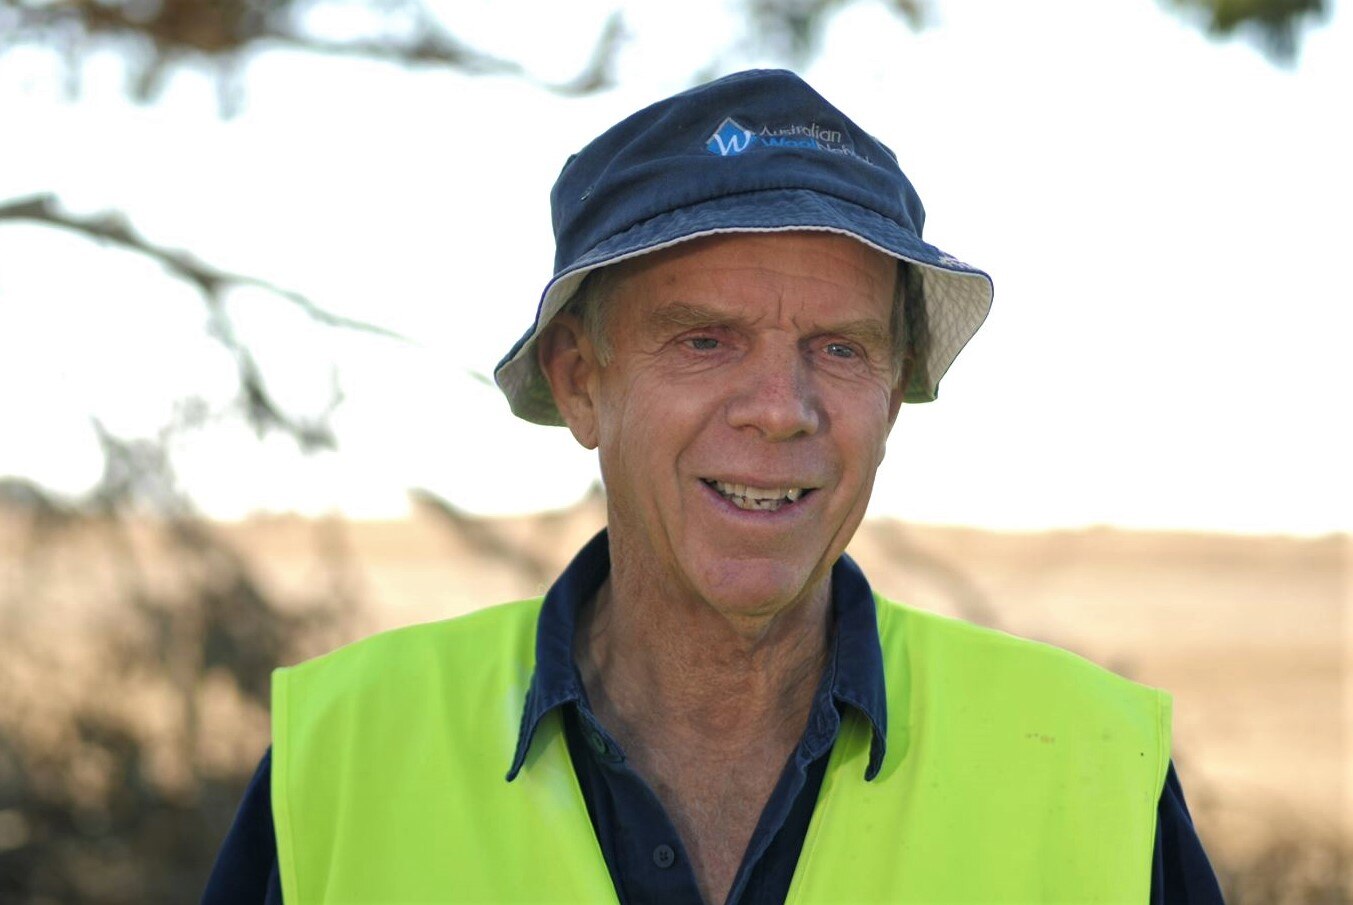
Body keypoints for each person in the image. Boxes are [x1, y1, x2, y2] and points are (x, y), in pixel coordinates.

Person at [204, 69, 1224, 904]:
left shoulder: (1089, 767)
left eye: (839, 346)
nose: (781, 408)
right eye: (705, 339)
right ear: (581, 383)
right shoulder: (345, 758)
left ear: (894, 395)